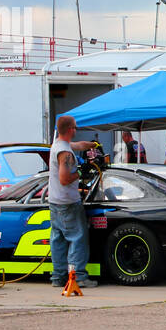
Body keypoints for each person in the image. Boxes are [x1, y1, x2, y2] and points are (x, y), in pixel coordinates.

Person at [47, 115, 100, 290]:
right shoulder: (65, 153)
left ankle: (58, 277)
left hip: (55, 202)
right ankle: (79, 278)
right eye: (75, 127)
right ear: (70, 129)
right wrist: (81, 172)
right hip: (67, 202)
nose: (76, 130)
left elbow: (79, 145)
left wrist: (94, 145)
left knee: (58, 240)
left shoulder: (58, 145)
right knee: (77, 238)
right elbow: (64, 179)